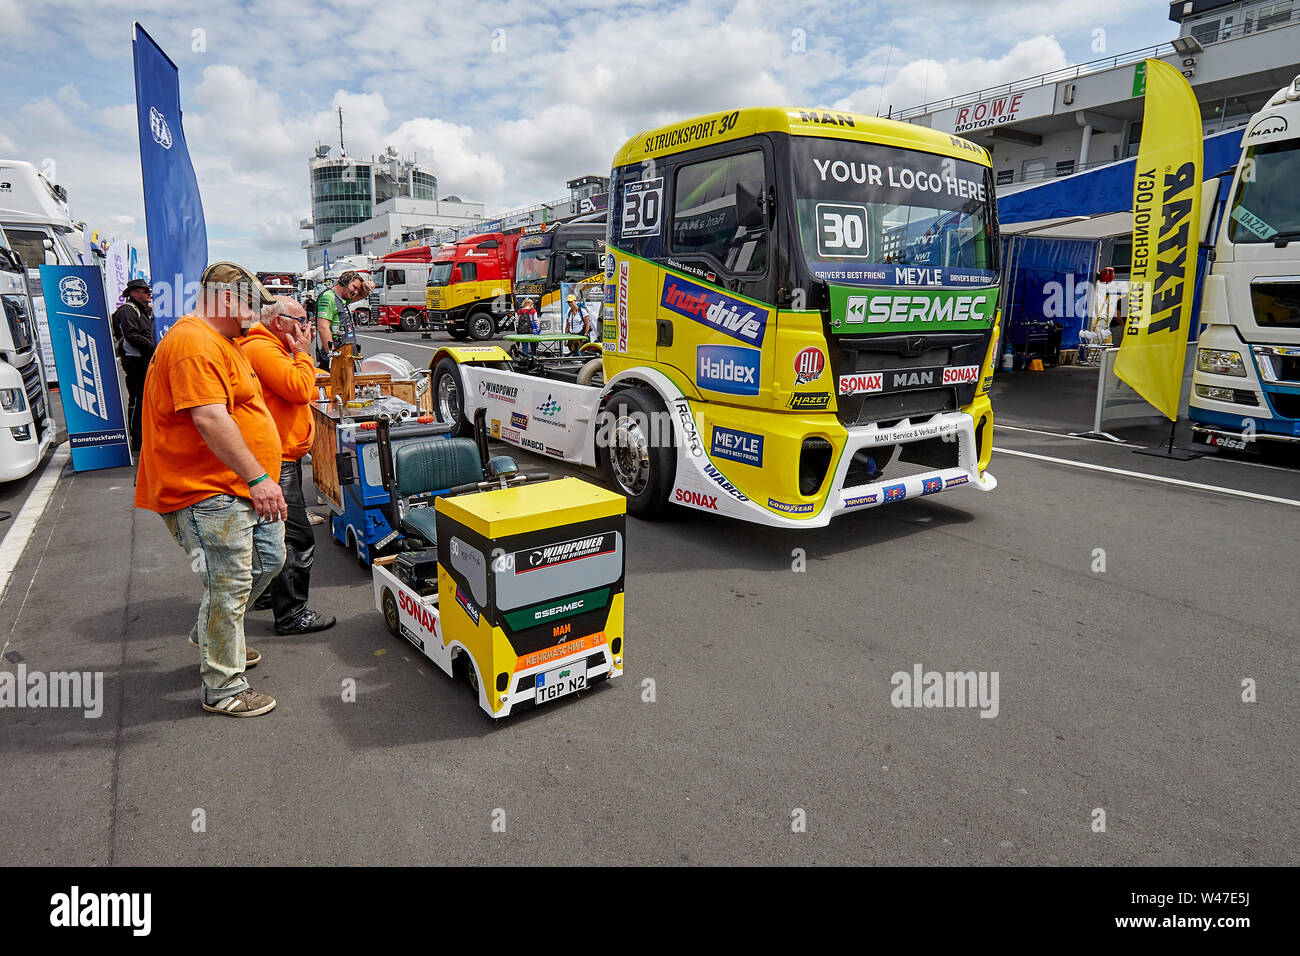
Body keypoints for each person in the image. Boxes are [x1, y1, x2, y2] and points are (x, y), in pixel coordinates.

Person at [134, 262, 287, 718]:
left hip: (231, 487)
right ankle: (223, 687)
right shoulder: (194, 343)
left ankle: (214, 636)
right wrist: (259, 478)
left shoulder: (219, 341)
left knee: (269, 560)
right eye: (249, 303)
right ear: (224, 299)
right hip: (205, 491)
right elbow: (210, 418)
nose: (256, 315)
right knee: (229, 583)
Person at [240, 296, 337, 635]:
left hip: (279, 455)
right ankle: (292, 614)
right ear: (279, 322)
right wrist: (303, 352)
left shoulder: (269, 347)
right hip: (276, 459)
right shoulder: (264, 349)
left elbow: (300, 384)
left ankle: (270, 593)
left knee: (271, 532)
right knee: (296, 536)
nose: (305, 326)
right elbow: (298, 388)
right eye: (299, 319)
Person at [110, 278, 156, 451]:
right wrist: (155, 346)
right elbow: (132, 336)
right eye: (145, 291)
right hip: (135, 360)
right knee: (137, 398)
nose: (149, 294)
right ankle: (137, 439)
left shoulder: (143, 310)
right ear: (134, 293)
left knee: (145, 398)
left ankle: (143, 435)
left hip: (144, 359)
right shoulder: (128, 310)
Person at [315, 270, 365, 367]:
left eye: (357, 289)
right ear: (344, 281)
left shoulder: (341, 299)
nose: (355, 292)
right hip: (337, 359)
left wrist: (366, 284)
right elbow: (322, 327)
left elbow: (363, 294)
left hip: (346, 357)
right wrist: (333, 356)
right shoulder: (328, 297)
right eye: (354, 287)